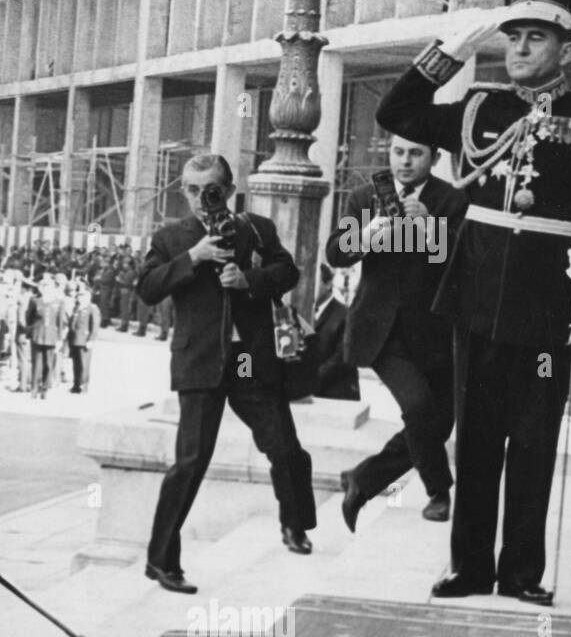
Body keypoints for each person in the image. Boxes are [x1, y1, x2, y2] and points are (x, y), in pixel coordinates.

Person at [376, 0, 571, 606]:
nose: (521, 48)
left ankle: (522, 573)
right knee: (475, 438)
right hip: (477, 295)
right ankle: (470, 568)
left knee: (533, 439)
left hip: (550, 303)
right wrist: (448, 54)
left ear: (564, 46)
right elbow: (396, 113)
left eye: (537, 38)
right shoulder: (478, 106)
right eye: (514, 36)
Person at [136, 153, 317, 593]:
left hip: (247, 357)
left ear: (230, 190)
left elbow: (289, 271)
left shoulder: (254, 228)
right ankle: (161, 561)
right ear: (183, 191)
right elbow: (146, 288)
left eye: (211, 189)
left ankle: (295, 524)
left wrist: (251, 279)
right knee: (191, 461)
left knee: (286, 447)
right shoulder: (171, 237)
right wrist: (193, 258)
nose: (202, 199)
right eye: (193, 190)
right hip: (200, 359)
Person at [325, 135, 468, 527]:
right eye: (398, 152)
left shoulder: (450, 201)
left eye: (416, 153)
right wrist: (369, 232)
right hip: (381, 330)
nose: (405, 162)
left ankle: (363, 479)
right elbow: (336, 253)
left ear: (434, 157)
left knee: (438, 423)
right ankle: (439, 491)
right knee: (419, 407)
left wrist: (428, 226)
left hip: (436, 330)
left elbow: (462, 261)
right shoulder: (364, 197)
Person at [312, 264, 361, 402]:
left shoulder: (344, 315)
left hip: (336, 395)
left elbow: (341, 358)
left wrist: (309, 382)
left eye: (314, 282)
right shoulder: (298, 313)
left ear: (328, 284)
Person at [66, 285, 100, 394]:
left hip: (84, 340)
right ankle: (76, 385)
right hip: (74, 339)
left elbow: (94, 325)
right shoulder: (77, 307)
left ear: (88, 297)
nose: (80, 298)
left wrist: (91, 339)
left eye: (82, 296)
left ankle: (84, 385)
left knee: (84, 364)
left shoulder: (92, 308)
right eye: (79, 296)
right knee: (76, 364)